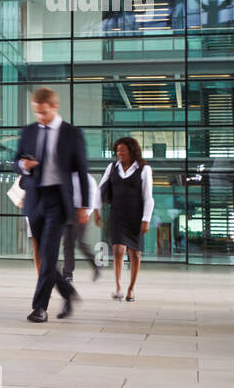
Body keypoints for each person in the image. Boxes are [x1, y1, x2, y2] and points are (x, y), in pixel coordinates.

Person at [13, 87, 90, 323]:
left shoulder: (71, 134)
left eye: (44, 113)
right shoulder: (29, 131)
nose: (40, 118)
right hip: (35, 199)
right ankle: (68, 292)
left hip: (58, 201)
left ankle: (39, 308)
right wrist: (25, 166)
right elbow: (15, 161)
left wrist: (83, 206)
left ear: (55, 107)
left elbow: (82, 172)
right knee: (42, 255)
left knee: (48, 254)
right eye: (36, 113)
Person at [99, 136, 153, 303]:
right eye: (117, 150)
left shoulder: (144, 169)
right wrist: (93, 210)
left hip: (136, 216)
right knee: (117, 250)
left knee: (135, 253)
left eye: (122, 150)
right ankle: (118, 287)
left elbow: (148, 197)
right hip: (117, 215)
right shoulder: (112, 167)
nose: (119, 153)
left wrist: (146, 219)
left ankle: (131, 288)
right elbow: (100, 189)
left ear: (132, 150)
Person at [62, 170, 102, 284]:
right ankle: (67, 274)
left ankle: (96, 265)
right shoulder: (68, 175)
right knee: (67, 244)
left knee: (80, 243)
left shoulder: (88, 178)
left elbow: (93, 196)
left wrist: (87, 213)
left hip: (81, 212)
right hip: (68, 212)